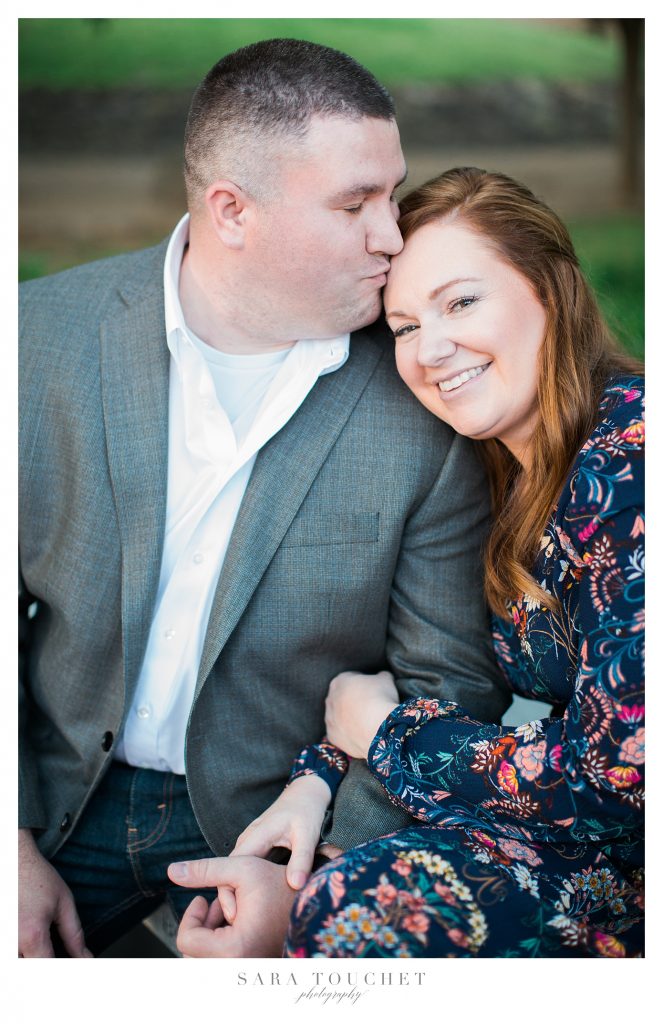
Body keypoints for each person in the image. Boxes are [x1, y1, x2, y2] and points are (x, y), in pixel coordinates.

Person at [19, 43, 507, 958]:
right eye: (353, 204)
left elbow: (453, 683)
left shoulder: (427, 395)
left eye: (391, 195)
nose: (392, 237)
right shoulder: (33, 340)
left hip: (270, 826)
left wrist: (322, 865)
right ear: (231, 211)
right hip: (47, 799)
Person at [171, 168, 644, 958]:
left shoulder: (632, 456)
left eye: (460, 302)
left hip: (620, 836)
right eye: (401, 326)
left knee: (353, 913)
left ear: (551, 291)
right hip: (596, 848)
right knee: (348, 905)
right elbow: (423, 680)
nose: (431, 349)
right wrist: (321, 777)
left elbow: (618, 772)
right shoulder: (501, 476)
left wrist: (387, 737)